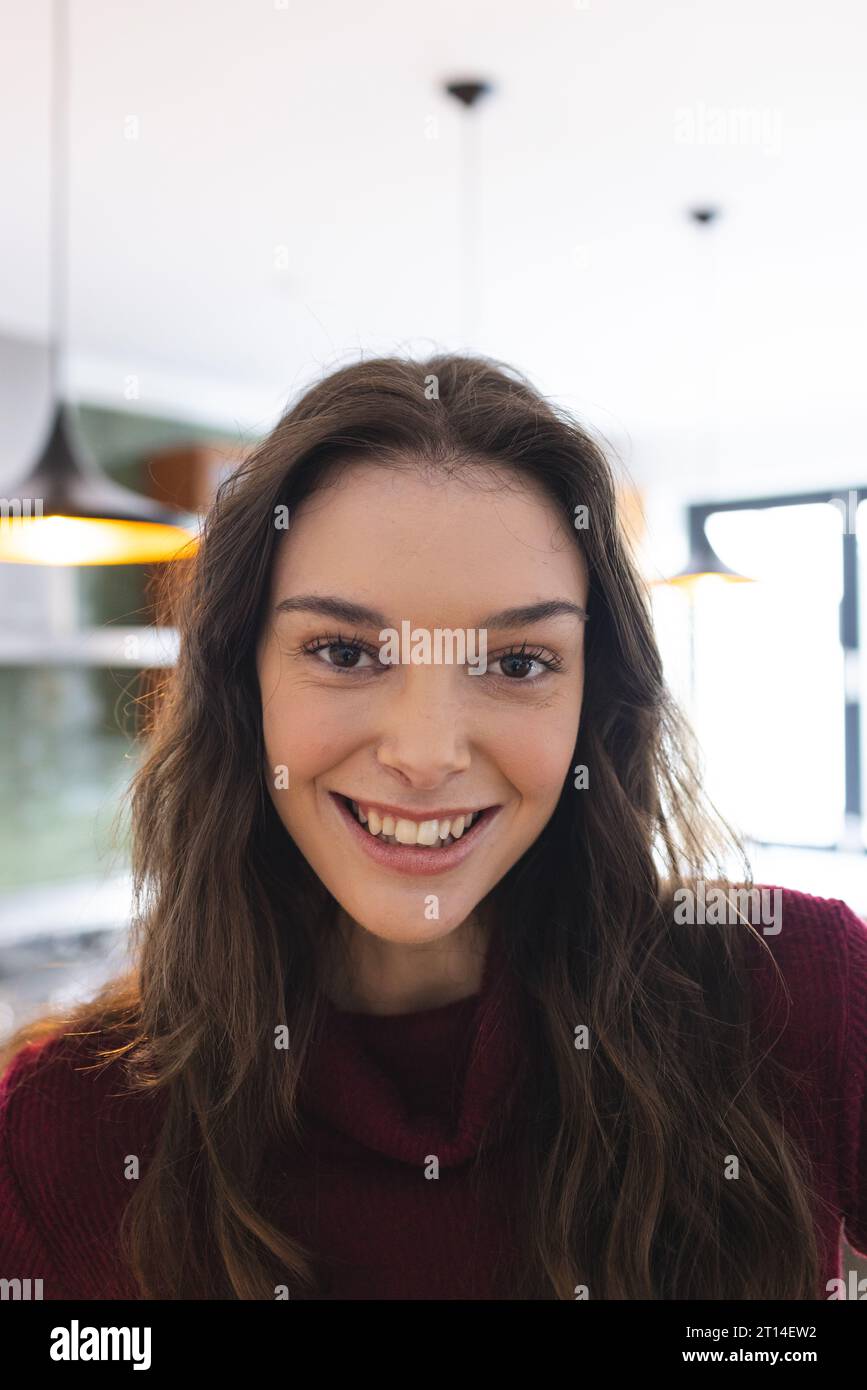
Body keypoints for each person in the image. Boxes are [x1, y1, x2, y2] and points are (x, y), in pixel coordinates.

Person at [0, 352, 865, 1300]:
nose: (425, 753)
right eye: (343, 651)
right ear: (243, 688)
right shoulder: (62, 1127)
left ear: (596, 696)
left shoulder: (796, 993)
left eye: (519, 662)